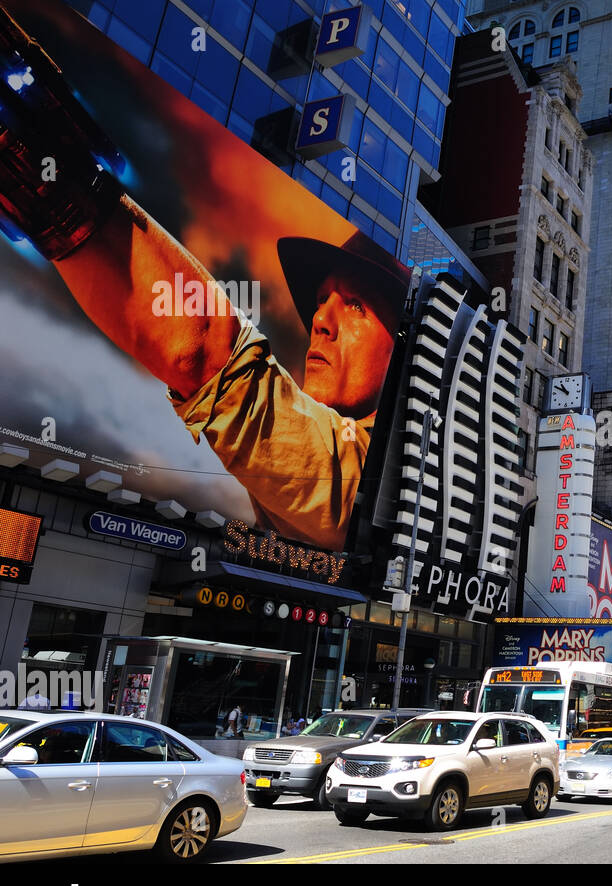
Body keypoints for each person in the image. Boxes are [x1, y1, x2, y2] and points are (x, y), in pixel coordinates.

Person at [0, 8, 409, 552]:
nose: (322, 322)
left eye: (356, 305)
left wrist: (41, 173)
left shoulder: (371, 486)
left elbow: (204, 353)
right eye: (320, 301)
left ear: (405, 353)